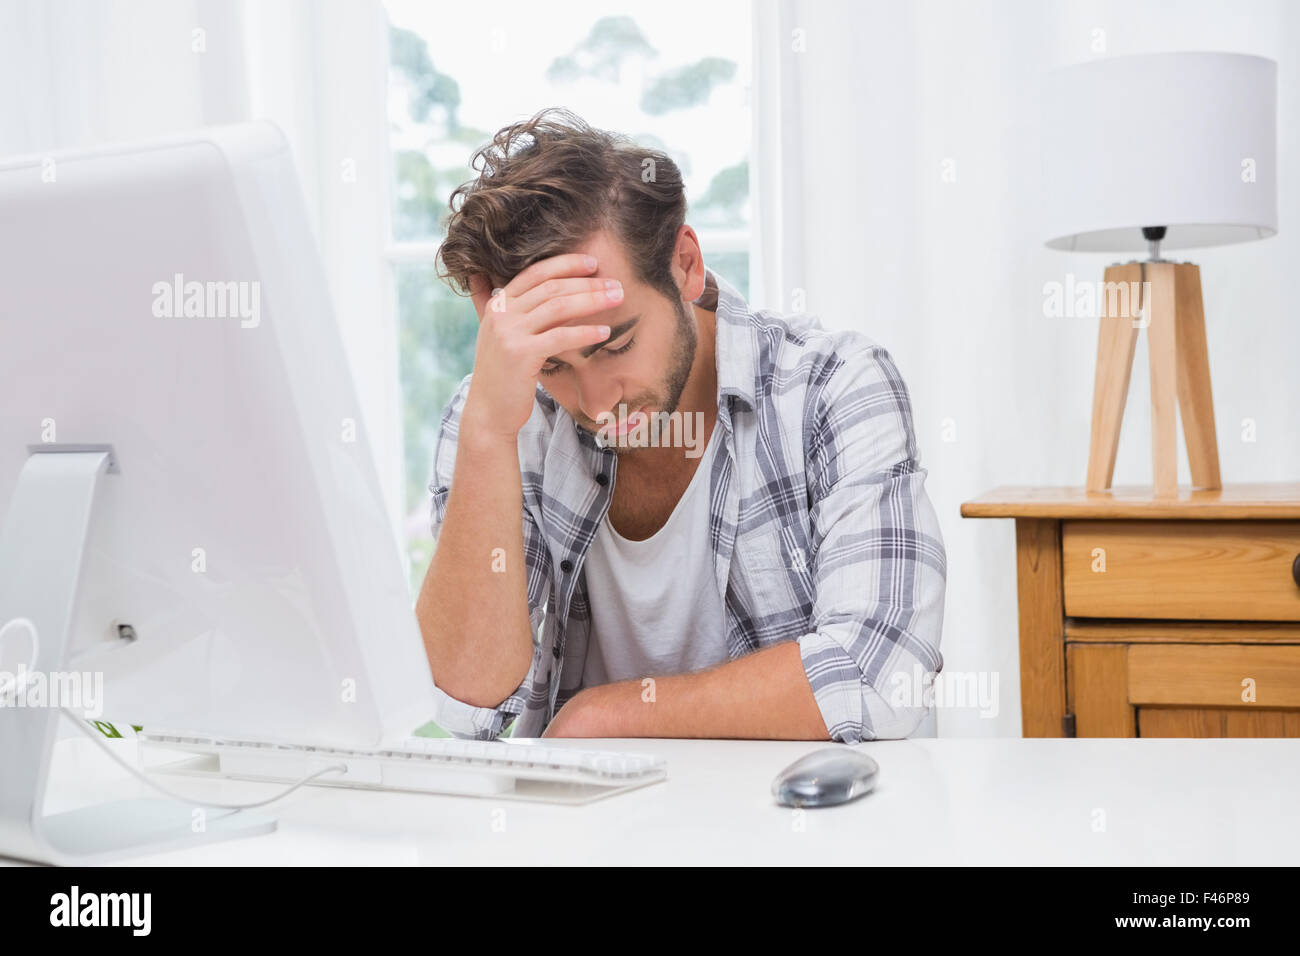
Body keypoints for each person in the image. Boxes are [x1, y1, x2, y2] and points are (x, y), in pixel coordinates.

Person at [415, 107, 946, 743]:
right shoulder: (498, 416)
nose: (596, 400)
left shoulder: (833, 387)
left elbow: (881, 677)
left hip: (804, 831)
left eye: (615, 345)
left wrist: (605, 716)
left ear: (685, 266)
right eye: (555, 364)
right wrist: (487, 436)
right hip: (581, 835)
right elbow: (469, 702)